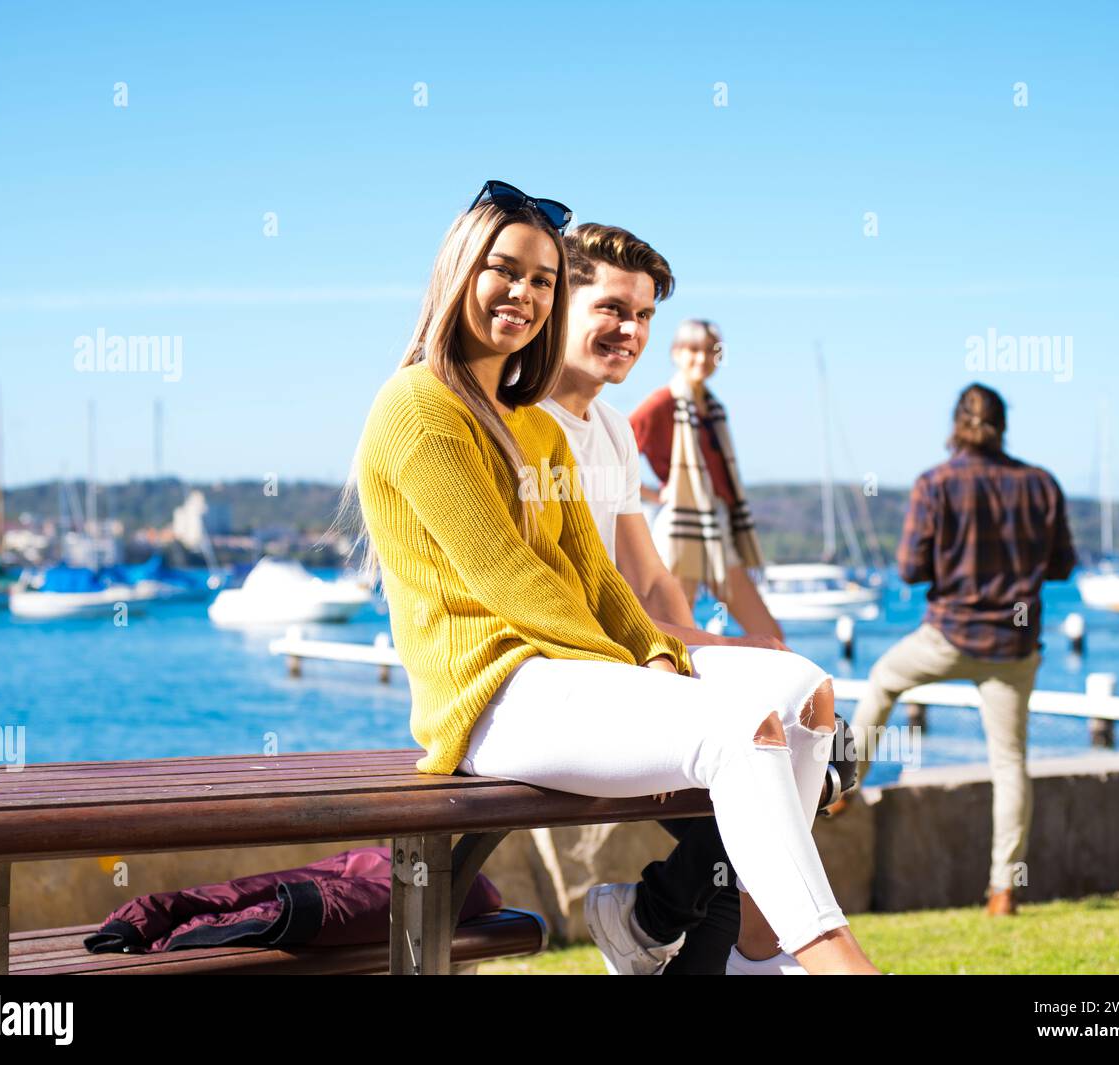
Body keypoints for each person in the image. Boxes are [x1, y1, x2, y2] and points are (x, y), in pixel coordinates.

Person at [346, 181, 881, 973]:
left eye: (539, 279)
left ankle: (754, 954)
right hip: (492, 693)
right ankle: (838, 963)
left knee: (803, 695)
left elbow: (599, 580)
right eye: (506, 270)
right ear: (459, 272)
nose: (523, 294)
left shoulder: (538, 426)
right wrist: (657, 671)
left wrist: (658, 654)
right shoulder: (419, 407)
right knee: (736, 729)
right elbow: (511, 581)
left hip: (568, 672)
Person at [539, 222, 854, 975]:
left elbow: (648, 579)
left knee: (808, 692)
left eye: (644, 315)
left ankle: (694, 928)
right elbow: (579, 606)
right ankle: (725, 939)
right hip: (565, 676)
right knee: (762, 763)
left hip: (631, 655)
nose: (631, 330)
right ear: (560, 302)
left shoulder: (609, 428)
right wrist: (696, 651)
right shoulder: (524, 425)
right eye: (612, 307)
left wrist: (740, 648)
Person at [841, 383, 1077, 916]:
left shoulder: (935, 483)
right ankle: (1002, 891)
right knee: (1010, 760)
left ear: (955, 423)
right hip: (1012, 645)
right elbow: (1062, 565)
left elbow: (909, 569)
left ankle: (844, 785)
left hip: (947, 635)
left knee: (882, 681)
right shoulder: (1040, 484)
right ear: (1003, 423)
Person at [629, 320, 781, 639]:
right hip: (681, 527)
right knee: (677, 634)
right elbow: (614, 452)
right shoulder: (662, 403)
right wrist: (655, 495)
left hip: (719, 527)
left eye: (711, 351)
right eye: (694, 350)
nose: (702, 359)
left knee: (770, 634)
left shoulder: (715, 409)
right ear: (676, 353)